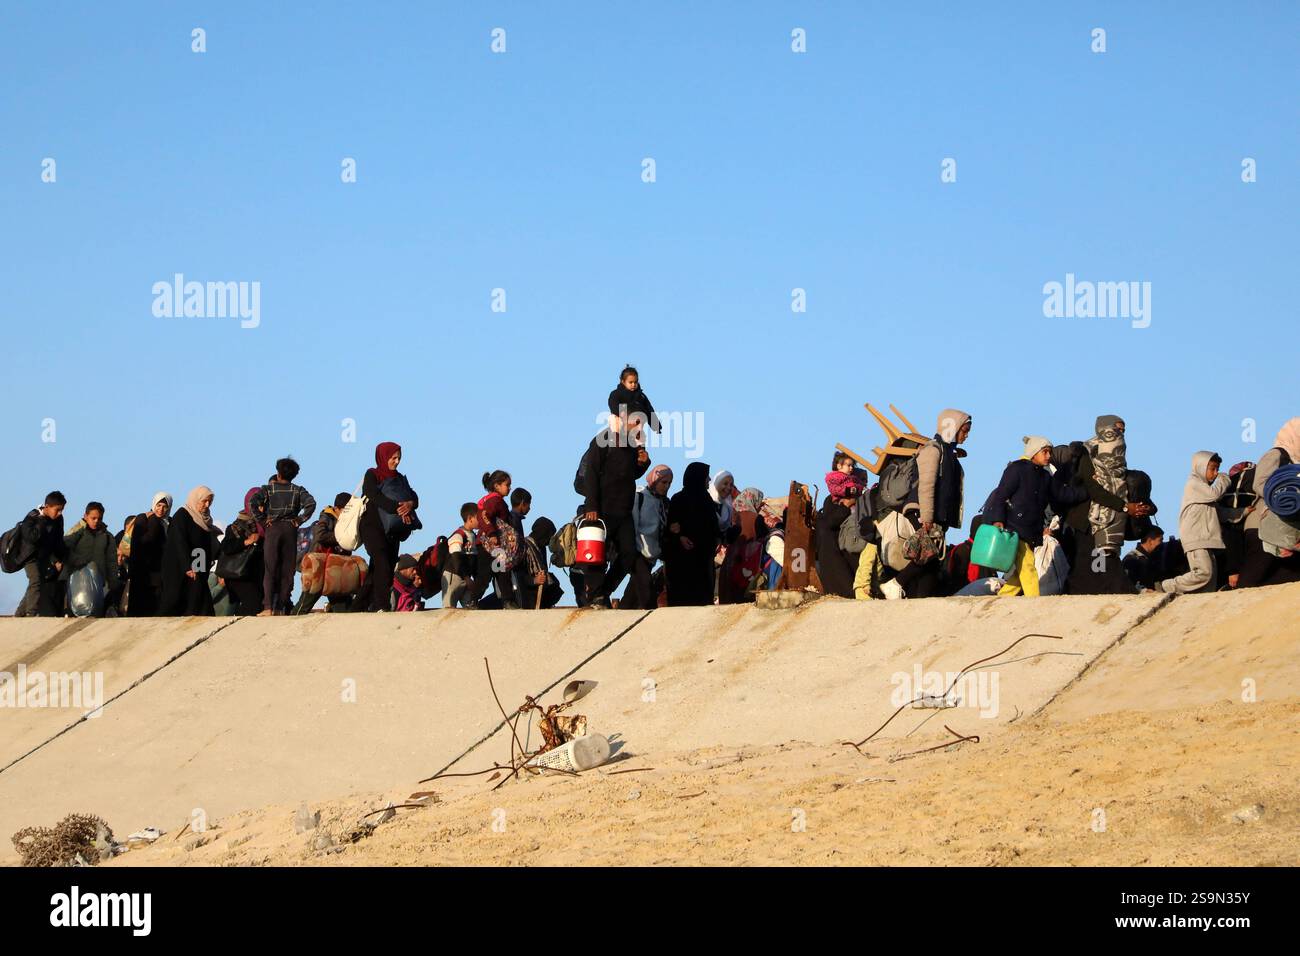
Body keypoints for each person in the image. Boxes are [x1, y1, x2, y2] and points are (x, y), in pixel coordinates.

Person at [1063, 416, 1150, 594]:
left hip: (1108, 517)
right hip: (1088, 519)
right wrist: (1125, 507)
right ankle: (1118, 590)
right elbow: (1095, 489)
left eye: (1123, 430)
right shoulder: (1088, 453)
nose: (1121, 433)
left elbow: (1118, 485)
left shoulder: (1114, 456)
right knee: (1096, 559)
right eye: (1117, 429)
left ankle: (1101, 590)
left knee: (1097, 561)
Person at [984, 435, 1078, 597]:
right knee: (1028, 565)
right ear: (1034, 452)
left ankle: (1001, 599)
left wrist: (1087, 492)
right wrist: (998, 519)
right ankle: (1034, 602)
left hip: (1031, 532)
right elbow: (1000, 496)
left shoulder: (1045, 476)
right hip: (1013, 529)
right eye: (1045, 452)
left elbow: (1062, 494)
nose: (1049, 456)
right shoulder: (1016, 469)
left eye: (1050, 452)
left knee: (1019, 573)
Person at [578, 414, 651, 609]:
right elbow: (591, 472)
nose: (639, 426)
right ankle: (594, 595)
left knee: (628, 554)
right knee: (597, 554)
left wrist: (643, 463)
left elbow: (629, 474)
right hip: (602, 508)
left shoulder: (633, 445)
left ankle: (604, 590)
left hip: (623, 510)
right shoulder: (604, 439)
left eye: (641, 424)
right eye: (635, 422)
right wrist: (591, 506)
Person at [896, 409, 971, 599]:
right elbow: (926, 486)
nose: (967, 435)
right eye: (964, 430)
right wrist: (927, 518)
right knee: (927, 556)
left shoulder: (949, 454)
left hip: (936, 518)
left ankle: (921, 602)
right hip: (922, 514)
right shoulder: (933, 449)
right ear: (952, 427)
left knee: (932, 564)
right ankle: (895, 583)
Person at [1237, 417, 1300, 588]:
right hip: (1260, 525)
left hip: (1283, 528)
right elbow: (1260, 482)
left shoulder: (1295, 462)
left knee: (1290, 574)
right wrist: (1281, 494)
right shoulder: (1277, 454)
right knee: (1254, 576)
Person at [1156, 451, 1230, 593]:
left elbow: (1221, 514)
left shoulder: (1205, 491)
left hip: (1208, 539)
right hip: (1196, 538)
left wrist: (1244, 512)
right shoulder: (1194, 483)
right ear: (1201, 467)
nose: (1216, 473)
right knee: (1203, 573)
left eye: (1218, 470)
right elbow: (1215, 494)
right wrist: (1224, 478)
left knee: (1209, 584)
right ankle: (1165, 586)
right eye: (1213, 469)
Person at [356, 442, 418, 612]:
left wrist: (410, 504)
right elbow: (372, 494)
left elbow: (413, 496)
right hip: (372, 526)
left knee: (385, 567)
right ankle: (381, 606)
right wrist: (398, 508)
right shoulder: (372, 474)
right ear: (384, 457)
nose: (396, 461)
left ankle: (357, 607)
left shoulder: (399, 478)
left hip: (391, 530)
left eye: (399, 458)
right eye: (393, 458)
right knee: (381, 562)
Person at [251, 457, 316, 616]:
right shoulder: (298, 490)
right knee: (288, 570)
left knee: (270, 568)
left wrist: (263, 520)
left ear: (278, 473)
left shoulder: (268, 489)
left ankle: (267, 608)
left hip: (273, 528)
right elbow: (311, 504)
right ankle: (280, 607)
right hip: (290, 529)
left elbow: (253, 503)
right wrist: (299, 520)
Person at [664, 461, 720, 606]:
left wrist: (717, 539)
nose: (709, 480)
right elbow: (671, 527)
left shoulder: (707, 499)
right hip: (682, 560)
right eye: (706, 476)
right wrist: (680, 537)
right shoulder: (678, 499)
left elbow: (712, 526)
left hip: (703, 559)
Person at [160, 486, 220, 616]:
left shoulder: (205, 519)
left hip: (199, 566)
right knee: (175, 601)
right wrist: (187, 566)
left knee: (200, 604)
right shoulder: (183, 515)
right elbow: (178, 541)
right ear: (195, 499)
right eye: (204, 501)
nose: (207, 505)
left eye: (210, 501)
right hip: (182, 569)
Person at [294, 492, 354, 615]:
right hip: (318, 568)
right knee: (305, 604)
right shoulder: (326, 517)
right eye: (345, 510)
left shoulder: (344, 522)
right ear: (337, 509)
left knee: (343, 608)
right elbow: (321, 536)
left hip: (333, 569)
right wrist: (342, 537)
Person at [61, 502, 120, 616]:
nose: (96, 521)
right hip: (76, 581)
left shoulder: (107, 537)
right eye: (93, 518)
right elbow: (65, 547)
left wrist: (113, 582)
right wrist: (77, 561)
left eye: (99, 518)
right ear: (85, 516)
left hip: (98, 583)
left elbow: (111, 561)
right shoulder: (77, 531)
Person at [15, 491, 68, 617]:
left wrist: (59, 558)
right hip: (29, 556)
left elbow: (58, 540)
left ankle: (19, 614)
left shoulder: (58, 520)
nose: (60, 513)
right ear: (47, 506)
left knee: (36, 583)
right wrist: (42, 521)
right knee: (35, 580)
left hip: (44, 557)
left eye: (62, 510)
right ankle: (31, 613)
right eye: (57, 510)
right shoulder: (33, 516)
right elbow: (30, 537)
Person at [474, 471, 520, 609]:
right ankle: (471, 599)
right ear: (497, 485)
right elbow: (484, 515)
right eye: (507, 485)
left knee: (502, 573)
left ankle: (508, 601)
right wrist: (492, 533)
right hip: (488, 545)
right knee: (485, 575)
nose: (509, 488)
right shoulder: (495, 500)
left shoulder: (494, 500)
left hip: (496, 547)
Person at [217, 488, 266, 615]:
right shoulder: (236, 526)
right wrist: (246, 541)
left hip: (257, 576)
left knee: (259, 605)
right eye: (257, 505)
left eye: (263, 505)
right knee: (253, 604)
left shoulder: (266, 525)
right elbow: (226, 547)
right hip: (238, 575)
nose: (261, 509)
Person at [125, 493, 171, 617]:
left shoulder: (169, 522)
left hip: (160, 572)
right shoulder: (144, 518)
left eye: (165, 507)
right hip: (142, 571)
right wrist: (154, 522)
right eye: (158, 505)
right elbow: (142, 542)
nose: (161, 509)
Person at [519, 517, 563, 609]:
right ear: (543, 534)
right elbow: (518, 574)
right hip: (527, 594)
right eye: (549, 536)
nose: (549, 540)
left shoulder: (541, 548)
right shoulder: (523, 547)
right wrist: (534, 580)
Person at [442, 503, 481, 609]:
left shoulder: (474, 536)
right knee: (449, 608)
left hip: (466, 580)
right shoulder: (458, 535)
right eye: (479, 517)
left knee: (472, 609)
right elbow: (456, 560)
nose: (481, 520)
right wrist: (467, 578)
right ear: (470, 518)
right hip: (453, 577)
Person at [633, 464, 672, 569]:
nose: (667, 486)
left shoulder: (666, 504)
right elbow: (633, 527)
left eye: (669, 483)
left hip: (653, 555)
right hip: (638, 554)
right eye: (664, 482)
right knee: (644, 583)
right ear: (654, 480)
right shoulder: (639, 497)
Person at [608, 365, 659, 434]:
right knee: (613, 418)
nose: (633, 384)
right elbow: (613, 406)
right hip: (622, 420)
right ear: (623, 382)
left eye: (635, 382)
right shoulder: (616, 394)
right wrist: (624, 415)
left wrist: (656, 426)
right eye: (630, 382)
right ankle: (616, 437)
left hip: (636, 422)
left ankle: (638, 440)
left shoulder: (641, 396)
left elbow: (649, 410)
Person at [1122, 526, 1165, 591]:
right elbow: (1127, 584)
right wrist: (1144, 591)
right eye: (1160, 540)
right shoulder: (1131, 559)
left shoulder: (1152, 559)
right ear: (1150, 541)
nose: (1162, 543)